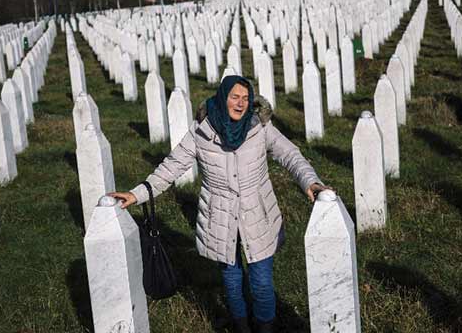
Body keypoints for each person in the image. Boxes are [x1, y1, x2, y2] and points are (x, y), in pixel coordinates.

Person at [110, 75, 328, 333]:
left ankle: (265, 329)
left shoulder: (260, 127)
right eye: (235, 97)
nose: (241, 103)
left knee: (261, 283)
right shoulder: (201, 131)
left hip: (257, 215)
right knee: (232, 281)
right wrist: (138, 194)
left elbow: (290, 155)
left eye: (246, 98)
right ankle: (241, 327)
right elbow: (172, 166)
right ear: (223, 97)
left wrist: (310, 182)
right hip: (220, 220)